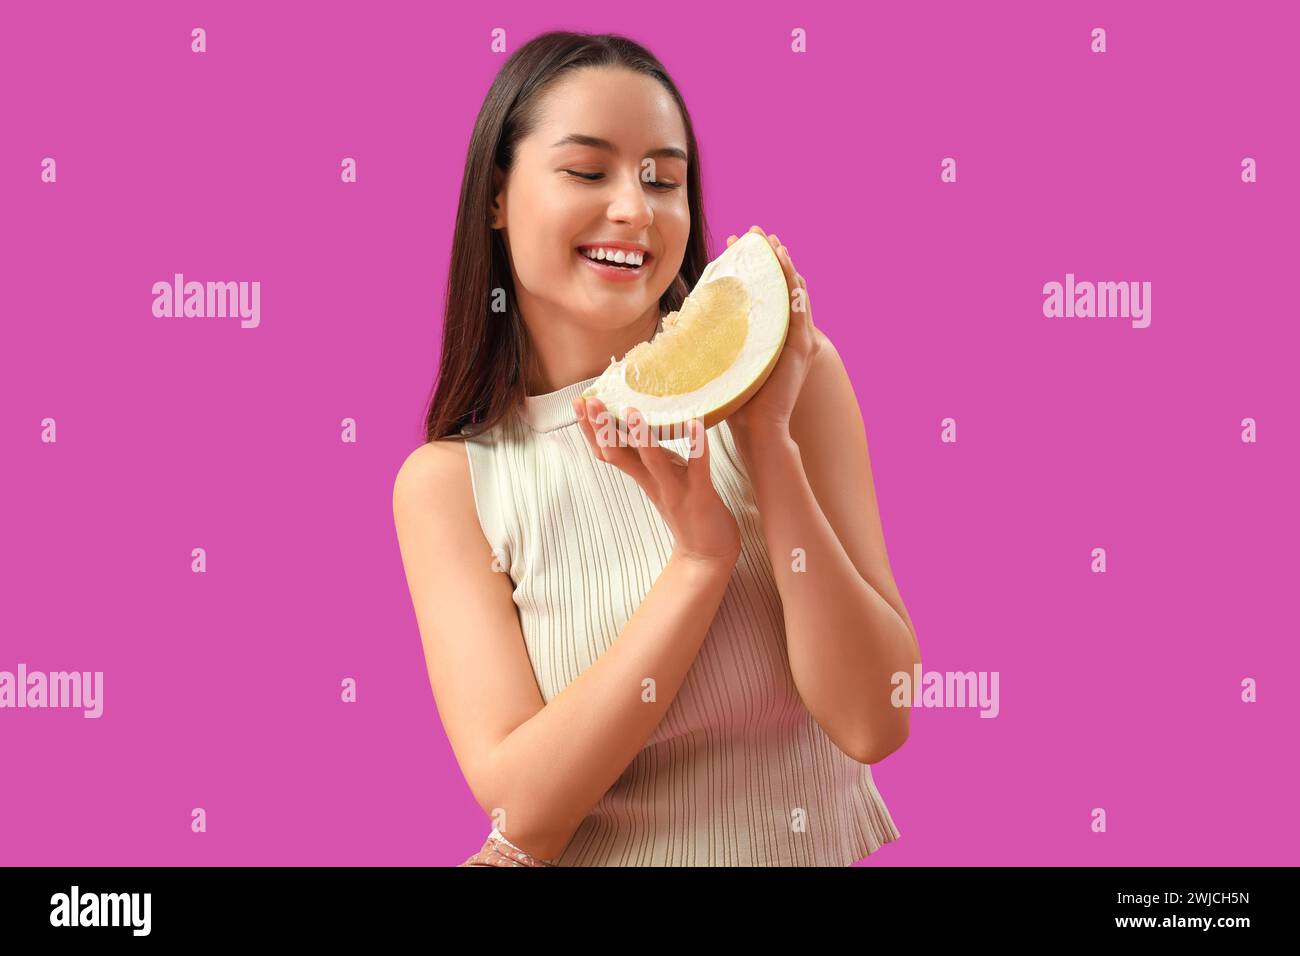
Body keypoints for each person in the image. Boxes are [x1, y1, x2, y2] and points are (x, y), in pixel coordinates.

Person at [393, 30, 921, 866]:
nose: (635, 209)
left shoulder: (796, 379)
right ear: (497, 195)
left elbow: (874, 718)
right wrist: (701, 560)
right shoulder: (452, 485)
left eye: (662, 179)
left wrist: (767, 443)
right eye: (587, 171)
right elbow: (522, 807)